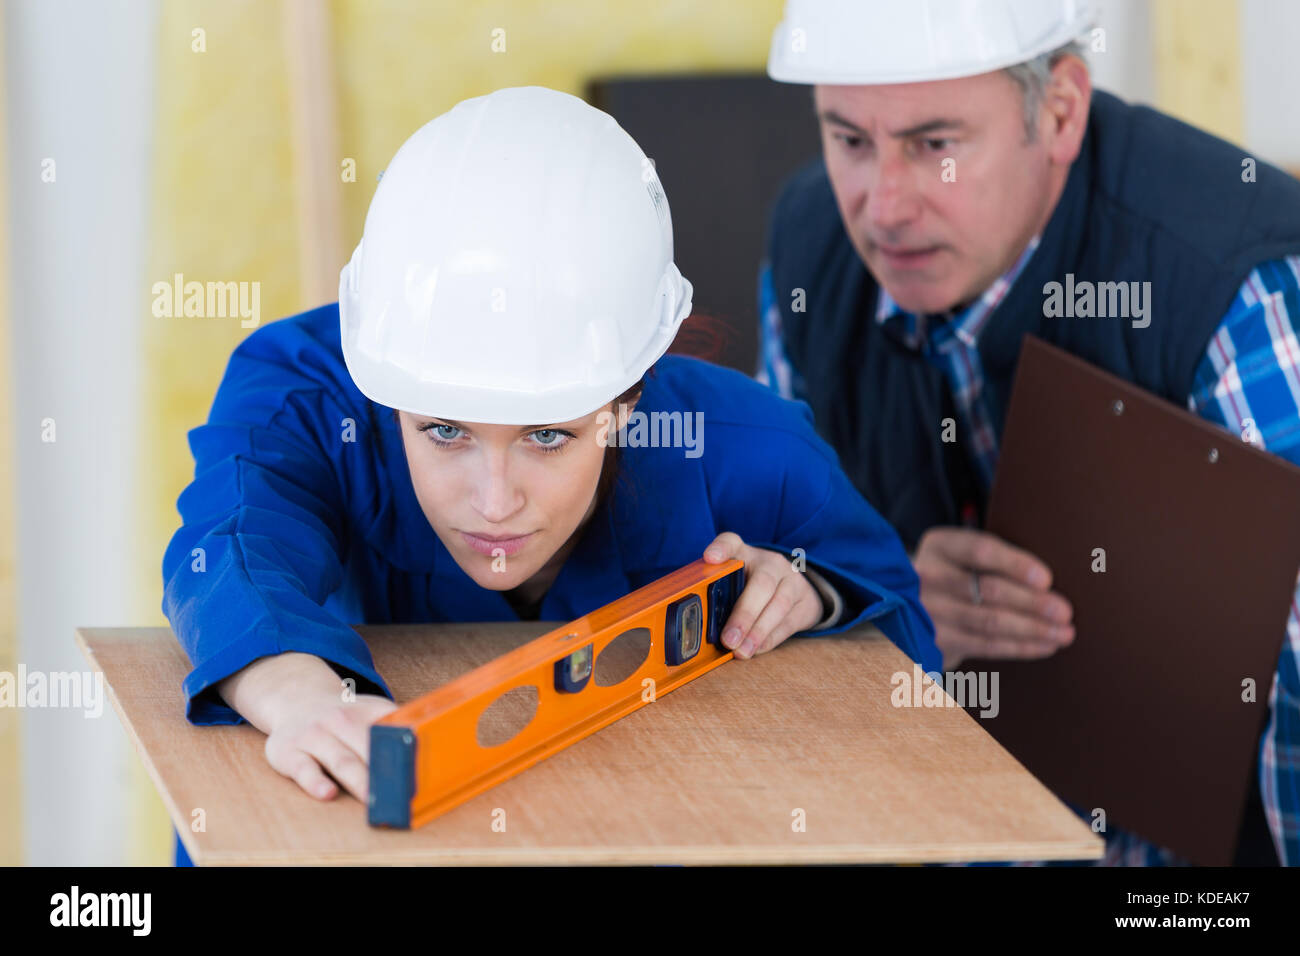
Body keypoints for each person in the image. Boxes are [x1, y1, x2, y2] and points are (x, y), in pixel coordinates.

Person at [160, 86, 939, 864]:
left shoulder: (747, 448)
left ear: (630, 399)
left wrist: (817, 594)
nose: (495, 503)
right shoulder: (301, 397)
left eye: (547, 435)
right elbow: (229, 545)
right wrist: (297, 696)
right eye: (443, 430)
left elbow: (901, 634)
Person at [757, 0, 1300, 865]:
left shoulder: (1230, 293)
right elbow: (769, 565)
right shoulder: (807, 249)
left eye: (936, 145)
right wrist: (875, 599)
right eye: (850, 141)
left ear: (1058, 113)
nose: (884, 206)